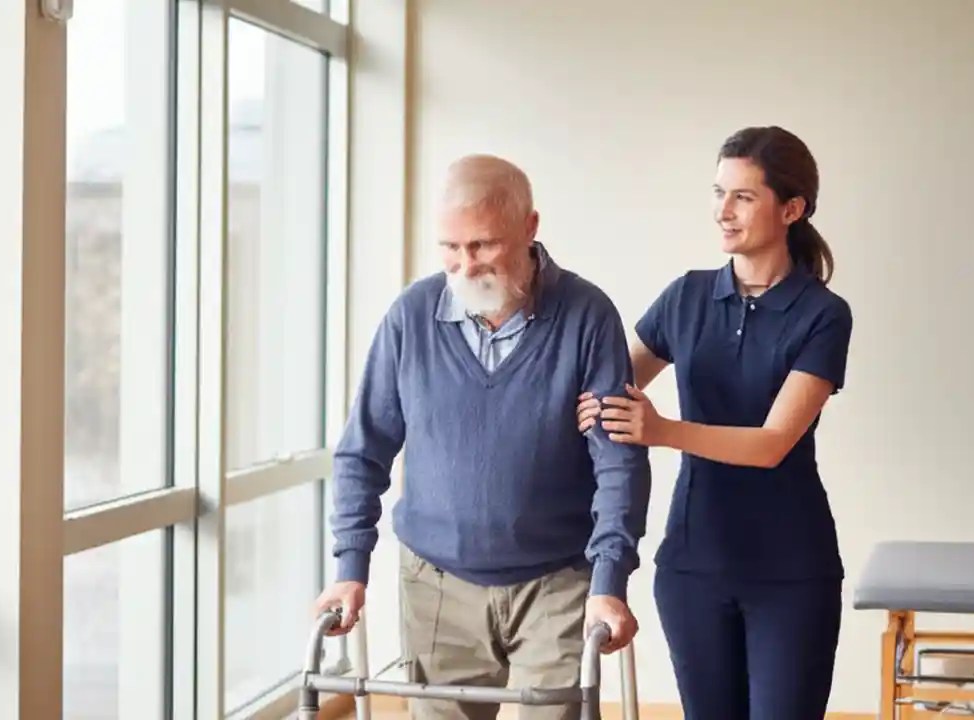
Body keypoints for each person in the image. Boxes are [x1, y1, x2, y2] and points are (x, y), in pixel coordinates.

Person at [315, 154, 653, 720]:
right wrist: (350, 569)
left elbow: (617, 460)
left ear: (530, 227)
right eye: (450, 248)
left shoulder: (586, 315)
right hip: (437, 583)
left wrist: (610, 579)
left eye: (483, 245)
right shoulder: (411, 316)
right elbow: (362, 449)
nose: (466, 266)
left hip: (557, 582)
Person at [577, 126, 853, 719]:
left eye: (743, 197)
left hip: (791, 571)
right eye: (717, 192)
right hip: (692, 567)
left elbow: (773, 443)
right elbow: (614, 383)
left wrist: (663, 430)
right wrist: (593, 406)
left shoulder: (823, 315)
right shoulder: (688, 297)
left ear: (792, 208)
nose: (722, 212)